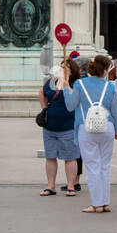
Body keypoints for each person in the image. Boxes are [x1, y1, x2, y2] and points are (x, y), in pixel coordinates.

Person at [62, 54, 117, 213]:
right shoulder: (110, 86)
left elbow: (70, 106)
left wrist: (67, 89)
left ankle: (96, 204)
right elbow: (116, 110)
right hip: (106, 126)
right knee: (105, 166)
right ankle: (105, 202)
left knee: (92, 165)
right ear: (105, 70)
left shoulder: (80, 84)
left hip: (86, 127)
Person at [39, 60, 79, 197]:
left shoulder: (75, 84)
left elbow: (75, 99)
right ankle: (51, 186)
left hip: (68, 126)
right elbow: (42, 92)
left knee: (70, 157)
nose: (61, 69)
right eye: (60, 67)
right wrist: (44, 109)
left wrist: (66, 83)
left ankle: (71, 186)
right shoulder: (52, 82)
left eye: (65, 68)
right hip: (50, 126)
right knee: (50, 156)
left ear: (72, 71)